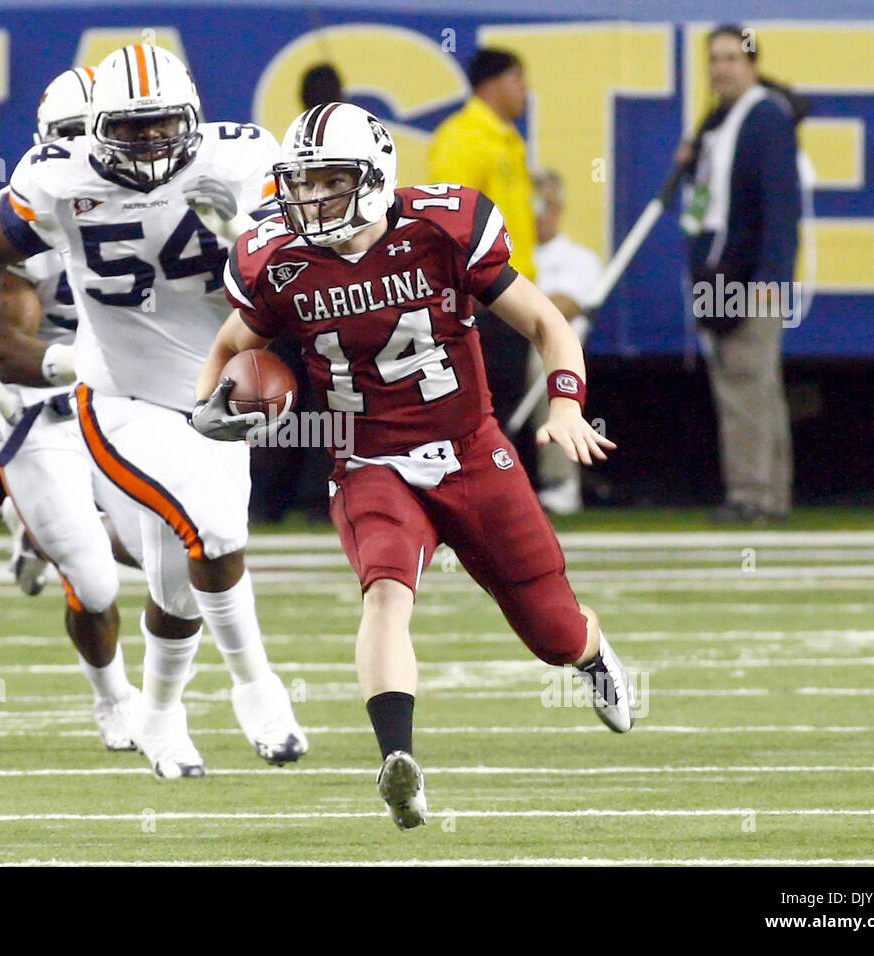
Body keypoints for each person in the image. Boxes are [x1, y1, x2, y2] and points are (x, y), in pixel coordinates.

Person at [194, 102, 635, 830]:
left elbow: (546, 324)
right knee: (386, 593)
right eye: (300, 184)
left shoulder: (443, 228)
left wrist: (564, 407)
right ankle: (399, 761)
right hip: (366, 457)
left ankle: (592, 652)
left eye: (328, 181)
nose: (309, 200)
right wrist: (209, 406)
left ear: (372, 178)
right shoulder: (276, 259)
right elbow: (227, 348)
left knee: (553, 632)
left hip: (471, 451)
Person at [0, 44, 307, 778]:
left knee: (178, 584)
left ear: (192, 118)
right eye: (129, 127)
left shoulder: (241, 160)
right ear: (94, 128)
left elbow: (291, 286)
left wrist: (244, 238)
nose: (147, 142)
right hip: (120, 398)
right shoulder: (58, 178)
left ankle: (157, 715)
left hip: (217, 391)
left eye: (160, 125)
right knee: (214, 530)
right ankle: (256, 686)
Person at [0, 66, 149, 751]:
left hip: (126, 389)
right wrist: (83, 365)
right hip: (40, 395)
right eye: (70, 139)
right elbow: (7, 349)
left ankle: (36, 530)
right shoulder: (30, 217)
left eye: (98, 137)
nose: (86, 157)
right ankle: (113, 698)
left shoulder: (161, 201)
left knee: (180, 547)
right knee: (95, 575)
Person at [679, 25, 801, 524]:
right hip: (719, 270)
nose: (721, 67)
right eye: (715, 58)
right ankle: (767, 494)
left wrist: (773, 276)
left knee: (745, 382)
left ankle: (753, 494)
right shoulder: (720, 121)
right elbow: (712, 194)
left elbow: (780, 203)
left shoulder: (764, 117)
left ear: (752, 64)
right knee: (747, 382)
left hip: (745, 273)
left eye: (732, 57)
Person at [428, 48, 539, 427]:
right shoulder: (462, 137)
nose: (526, 88)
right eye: (519, 78)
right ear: (492, 83)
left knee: (509, 404)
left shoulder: (508, 140)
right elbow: (448, 220)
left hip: (514, 292)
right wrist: (469, 292)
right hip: (486, 298)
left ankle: (506, 483)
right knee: (483, 408)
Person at [526, 169, 604, 515]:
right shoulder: (503, 253)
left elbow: (560, 310)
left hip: (546, 350)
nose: (539, 211)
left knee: (545, 362)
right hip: (496, 343)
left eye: (546, 202)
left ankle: (561, 482)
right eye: (532, 202)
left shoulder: (580, 258)